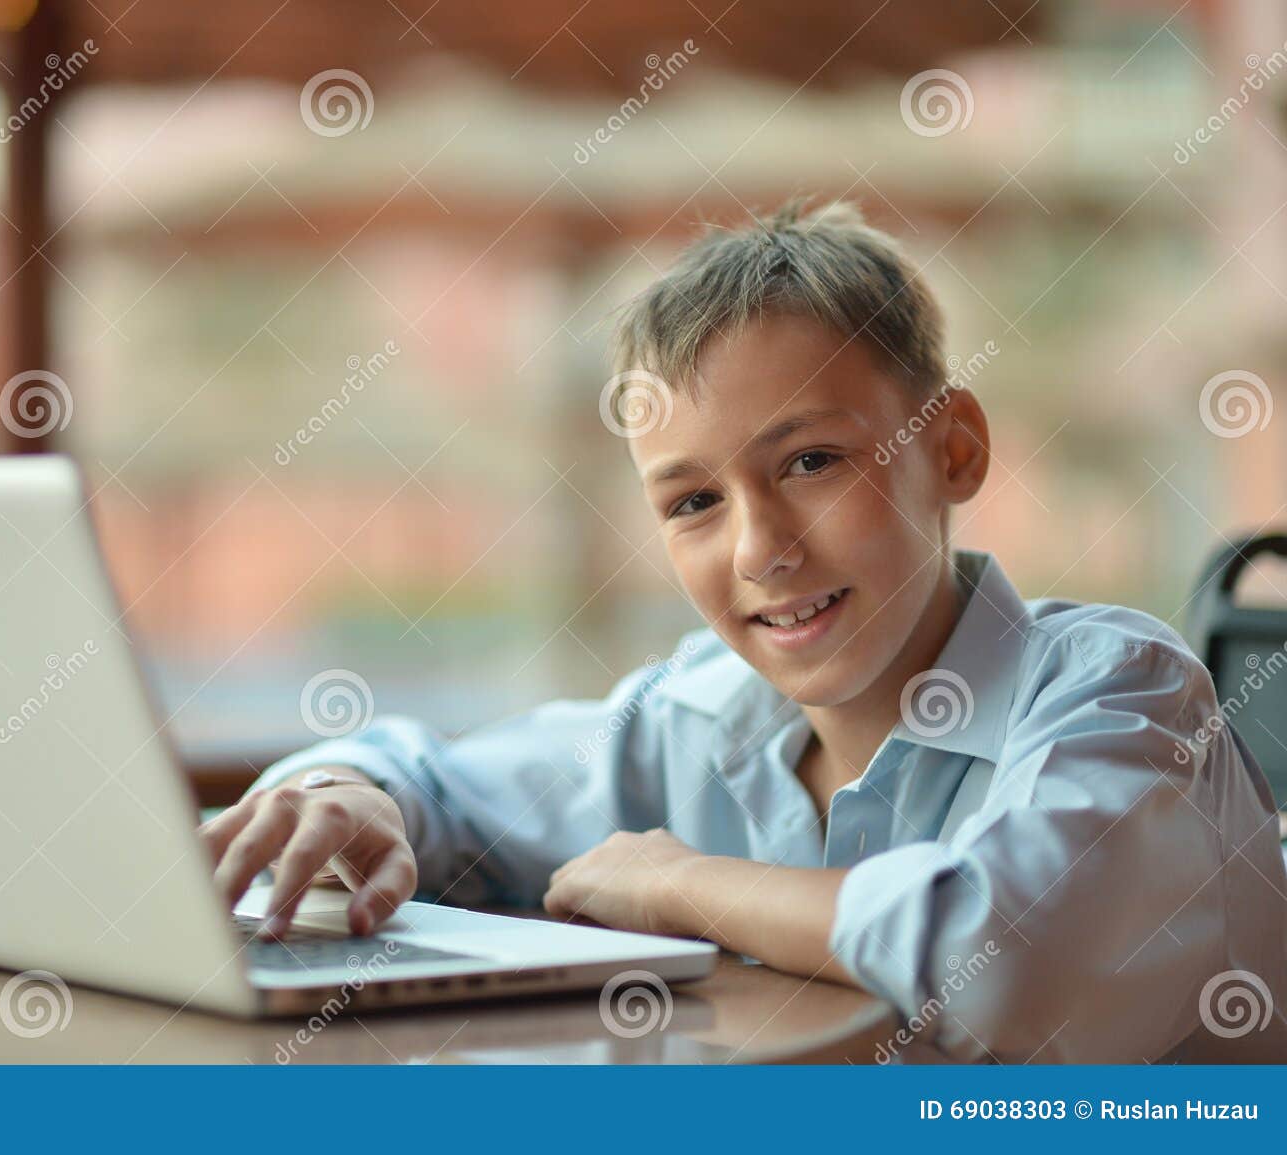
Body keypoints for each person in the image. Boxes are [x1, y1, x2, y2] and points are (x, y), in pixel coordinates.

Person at [201, 197, 1287, 1062]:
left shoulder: (1120, 692)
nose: (759, 549)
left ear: (951, 449)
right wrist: (350, 793)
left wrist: (680, 885)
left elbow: (996, 958)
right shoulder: (699, 719)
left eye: (811, 462)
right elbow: (432, 782)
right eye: (692, 503)